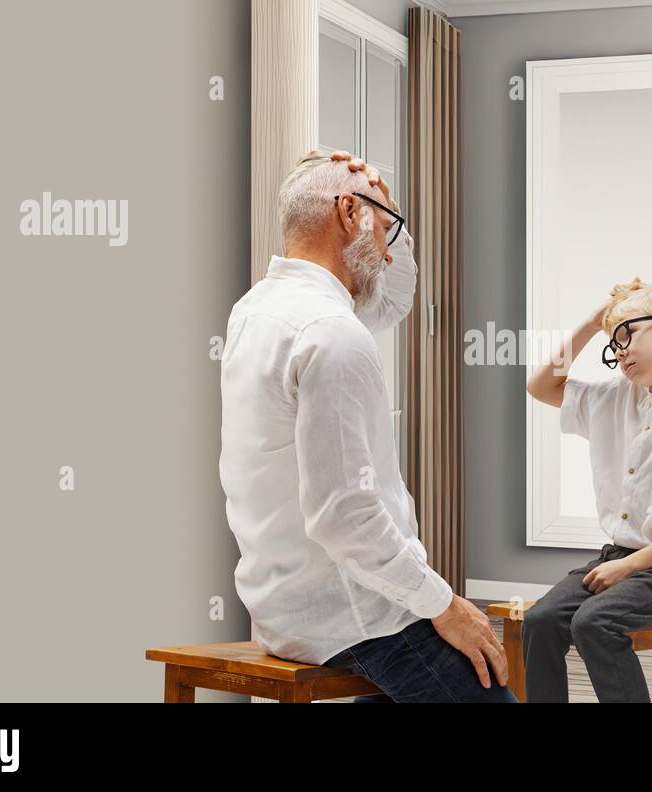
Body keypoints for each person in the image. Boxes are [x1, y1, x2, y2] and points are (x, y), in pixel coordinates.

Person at [219, 150, 515, 702]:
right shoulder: (333, 332)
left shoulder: (257, 310)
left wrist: (387, 208)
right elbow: (346, 517)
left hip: (284, 603)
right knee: (487, 676)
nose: (386, 250)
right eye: (384, 230)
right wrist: (444, 605)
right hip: (355, 612)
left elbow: (395, 297)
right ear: (348, 213)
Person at [523, 278, 652, 702]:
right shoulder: (616, 398)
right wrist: (592, 321)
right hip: (617, 557)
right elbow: (541, 386)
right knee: (540, 619)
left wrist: (630, 567)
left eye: (626, 334)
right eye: (611, 341)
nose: (617, 350)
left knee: (593, 623)